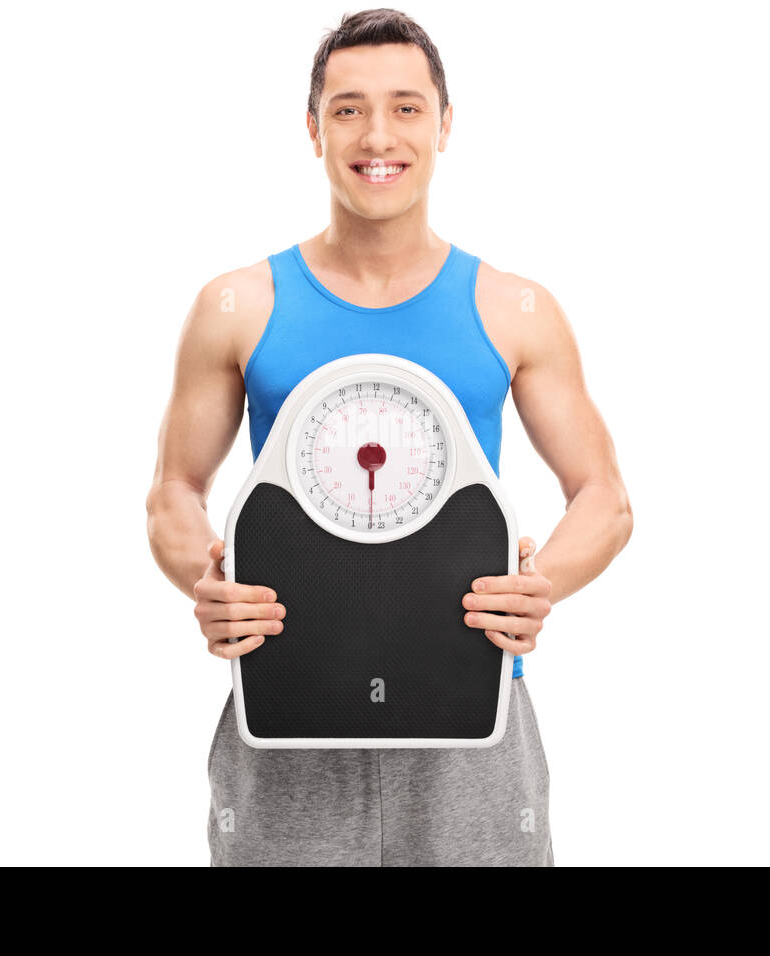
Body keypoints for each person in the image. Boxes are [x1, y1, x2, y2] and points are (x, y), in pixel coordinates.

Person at [145, 8, 632, 866]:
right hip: (287, 711)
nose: (379, 134)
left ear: (445, 124)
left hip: (471, 727)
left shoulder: (514, 308)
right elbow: (173, 489)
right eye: (348, 108)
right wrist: (205, 580)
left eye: (407, 107)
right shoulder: (239, 305)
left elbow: (605, 498)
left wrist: (540, 585)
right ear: (313, 128)